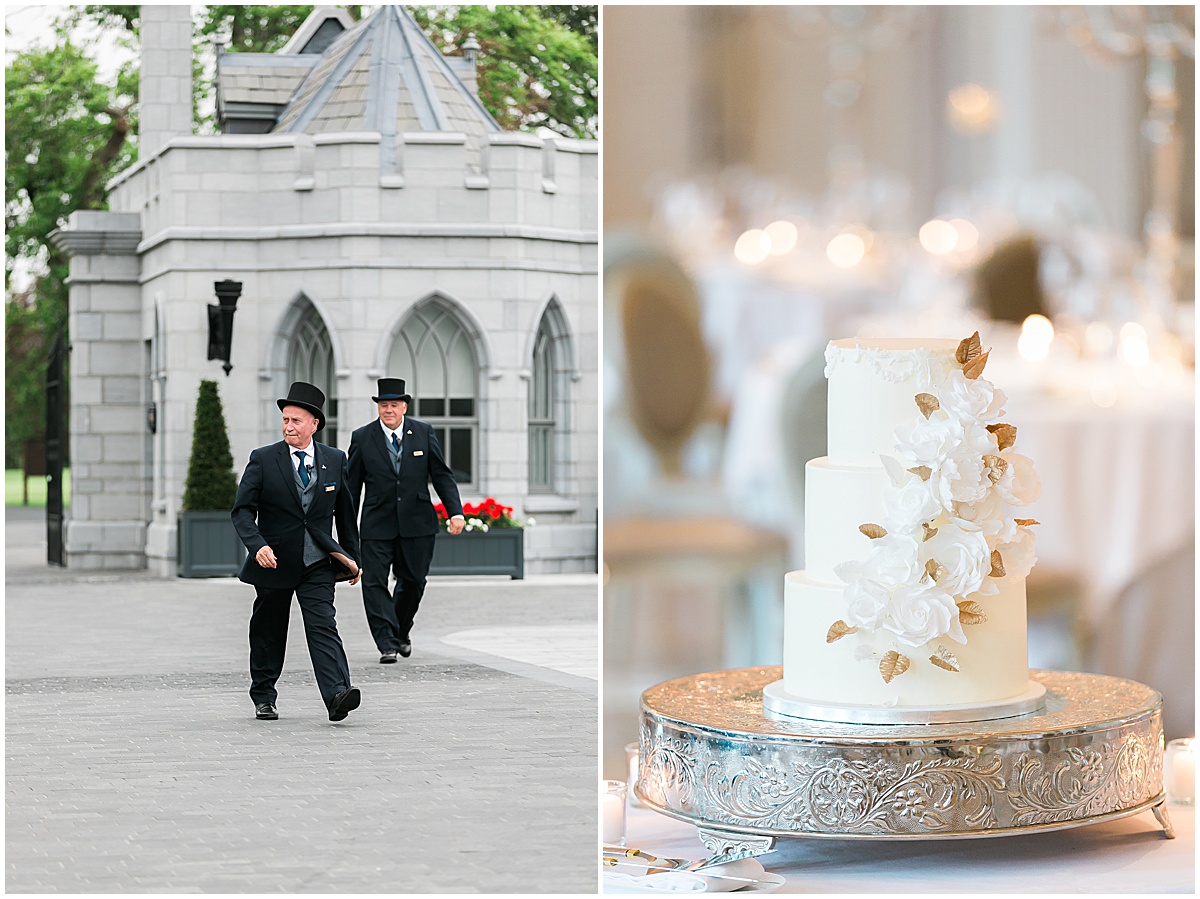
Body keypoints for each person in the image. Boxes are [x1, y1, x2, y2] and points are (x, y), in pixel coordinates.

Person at [232, 381, 363, 722]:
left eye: (296, 421)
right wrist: (257, 544)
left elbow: (346, 515)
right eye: (285, 420)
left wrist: (352, 558)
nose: (288, 426)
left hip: (317, 560)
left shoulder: (335, 460)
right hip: (273, 561)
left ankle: (337, 694)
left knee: (323, 625)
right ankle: (263, 694)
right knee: (269, 629)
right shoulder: (263, 459)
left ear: (314, 424)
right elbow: (242, 511)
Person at [347, 377, 465, 663]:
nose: (389, 410)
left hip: (417, 523)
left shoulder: (423, 433)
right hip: (376, 524)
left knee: (413, 581)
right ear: (378, 408)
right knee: (373, 583)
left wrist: (456, 511)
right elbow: (351, 486)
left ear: (404, 407)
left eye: (394, 405)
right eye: (384, 405)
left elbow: (441, 475)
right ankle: (386, 642)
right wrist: (346, 529)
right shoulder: (362, 437)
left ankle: (400, 630)